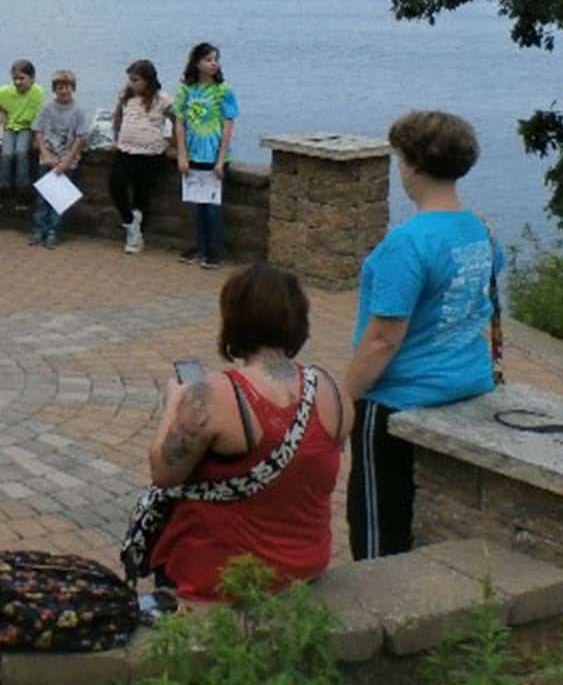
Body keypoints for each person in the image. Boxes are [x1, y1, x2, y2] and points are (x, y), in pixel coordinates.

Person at [343, 110, 504, 560]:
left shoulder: (407, 242)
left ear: (410, 163)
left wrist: (342, 402)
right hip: (467, 385)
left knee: (378, 526)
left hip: (399, 398)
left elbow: (382, 340)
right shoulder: (480, 230)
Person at [146, 264, 348, 600]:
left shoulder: (211, 396)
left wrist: (174, 402)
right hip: (304, 567)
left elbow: (163, 472)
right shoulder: (333, 390)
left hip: (223, 575)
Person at [172, 43, 239, 270]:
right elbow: (179, 122)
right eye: (208, 59)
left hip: (214, 155)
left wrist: (221, 159)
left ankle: (214, 251)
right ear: (197, 63)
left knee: (212, 206)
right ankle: (198, 246)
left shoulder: (223, 90)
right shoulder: (186, 90)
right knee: (197, 204)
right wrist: (182, 154)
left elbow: (228, 125)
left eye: (215, 59)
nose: (213, 63)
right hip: (193, 154)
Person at [109, 59, 171, 255]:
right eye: (130, 79)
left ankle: (136, 236)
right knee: (115, 184)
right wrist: (116, 137)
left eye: (135, 80)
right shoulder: (125, 97)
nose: (131, 83)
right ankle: (129, 222)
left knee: (141, 194)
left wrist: (175, 145)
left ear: (147, 80)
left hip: (151, 153)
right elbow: (117, 116)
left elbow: (178, 120)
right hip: (125, 150)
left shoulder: (162, 99)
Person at [30, 70, 86, 249]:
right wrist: (45, 154)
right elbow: (38, 131)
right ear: (54, 89)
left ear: (73, 88)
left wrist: (67, 162)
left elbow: (80, 138)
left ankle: (54, 231)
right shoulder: (46, 108)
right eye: (60, 87)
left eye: (67, 87)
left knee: (59, 201)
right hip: (46, 160)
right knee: (42, 198)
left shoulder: (78, 111)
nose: (64, 91)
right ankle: (39, 229)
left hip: (66, 162)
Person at [0, 60, 44, 210]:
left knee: (21, 152)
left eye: (22, 78)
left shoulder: (38, 92)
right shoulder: (8, 91)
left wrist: (38, 137)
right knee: (6, 154)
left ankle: (24, 190)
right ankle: (3, 188)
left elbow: (38, 117)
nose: (18, 82)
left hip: (27, 128)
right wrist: (0, 110)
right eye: (15, 78)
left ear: (32, 78)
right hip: (11, 127)